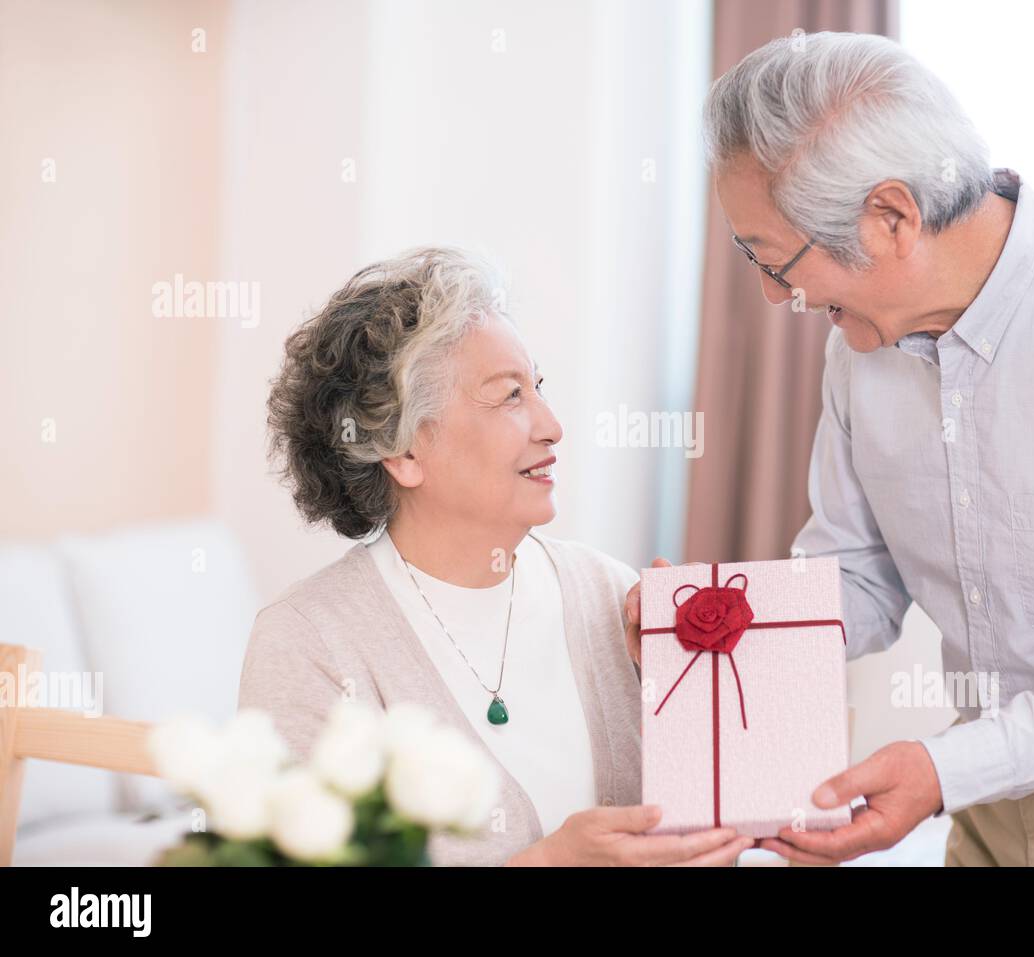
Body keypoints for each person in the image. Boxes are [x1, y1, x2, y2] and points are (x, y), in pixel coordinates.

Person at [627, 31, 1034, 866]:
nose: (776, 296)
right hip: (997, 808)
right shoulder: (861, 349)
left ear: (892, 216)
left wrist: (943, 768)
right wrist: (711, 626)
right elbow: (859, 576)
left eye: (775, 261)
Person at [238, 247, 753, 866]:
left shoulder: (608, 593)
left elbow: (718, 821)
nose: (552, 425)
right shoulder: (310, 641)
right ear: (402, 450)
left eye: (538, 387)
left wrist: (696, 693)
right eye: (510, 396)